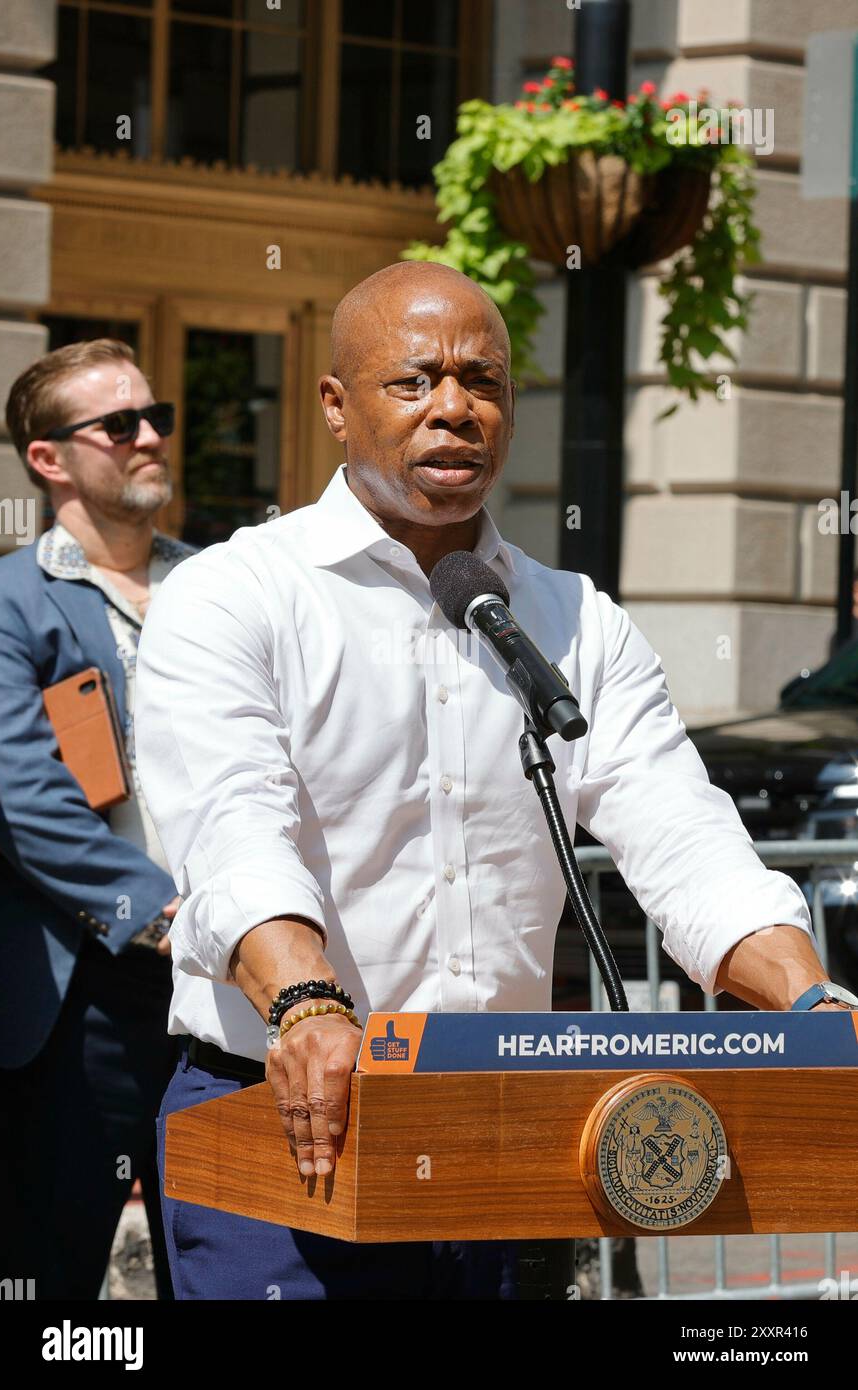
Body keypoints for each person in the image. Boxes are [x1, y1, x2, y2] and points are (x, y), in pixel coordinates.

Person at [134, 262, 855, 1302]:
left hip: (508, 1138)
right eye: (414, 380)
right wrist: (303, 1006)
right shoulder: (231, 595)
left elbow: (683, 838)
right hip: (287, 1117)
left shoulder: (574, 622)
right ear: (335, 405)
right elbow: (231, 829)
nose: (454, 410)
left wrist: (808, 996)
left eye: (483, 381)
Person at [0, 339, 194, 1299]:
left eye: (157, 417)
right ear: (49, 459)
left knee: (231, 1258)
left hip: (233, 987)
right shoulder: (5, 605)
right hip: (87, 1000)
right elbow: (23, 799)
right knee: (52, 1274)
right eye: (120, 425)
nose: (149, 436)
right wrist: (167, 920)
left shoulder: (223, 586)